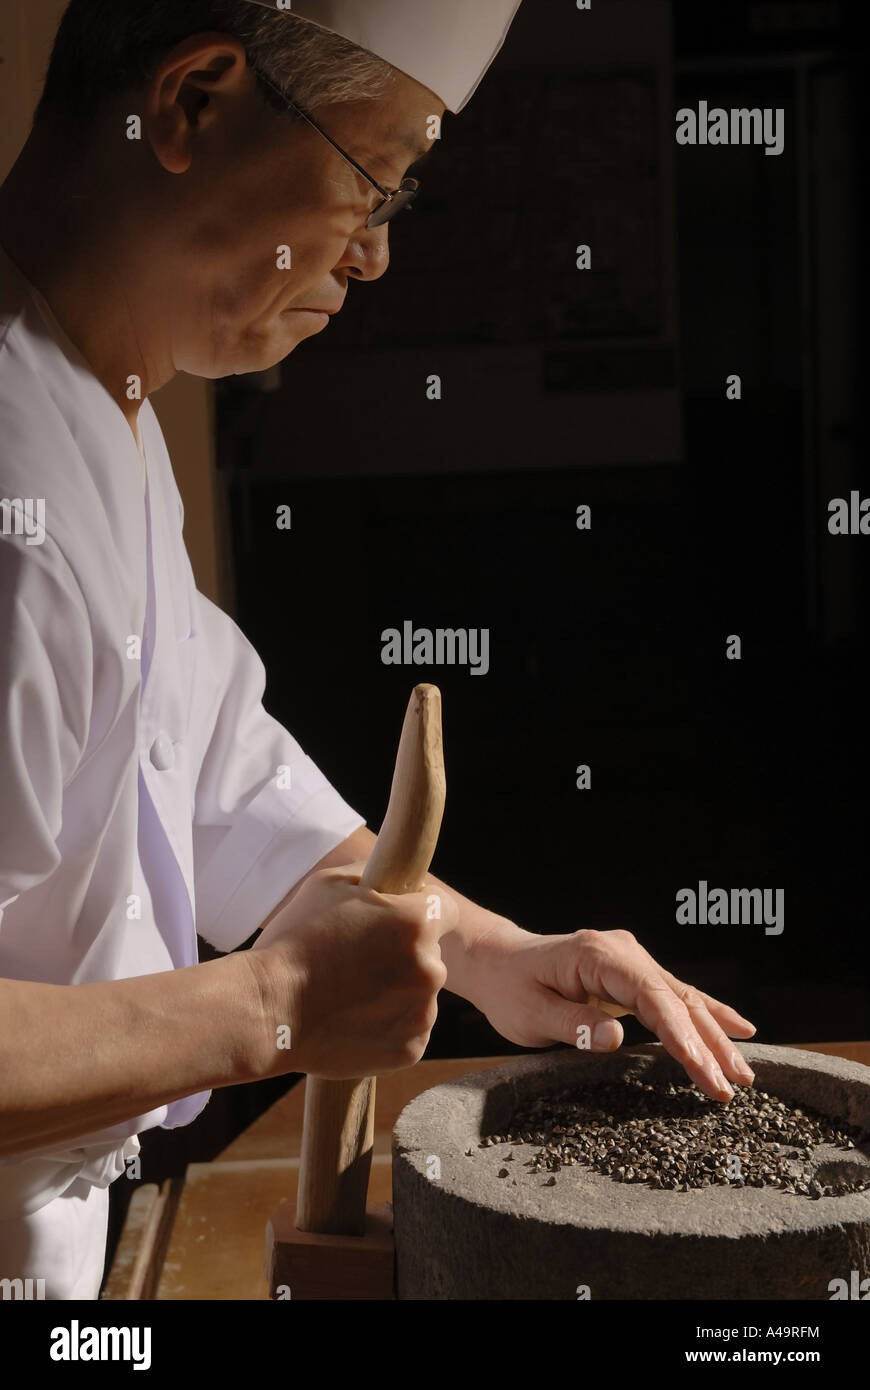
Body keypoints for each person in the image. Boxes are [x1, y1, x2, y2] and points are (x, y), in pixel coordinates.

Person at [0, 0, 755, 1299]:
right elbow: (265, 983)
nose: (373, 259)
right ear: (194, 105)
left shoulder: (97, 414)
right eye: (375, 182)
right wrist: (270, 1007)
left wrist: (488, 952)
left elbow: (229, 794)